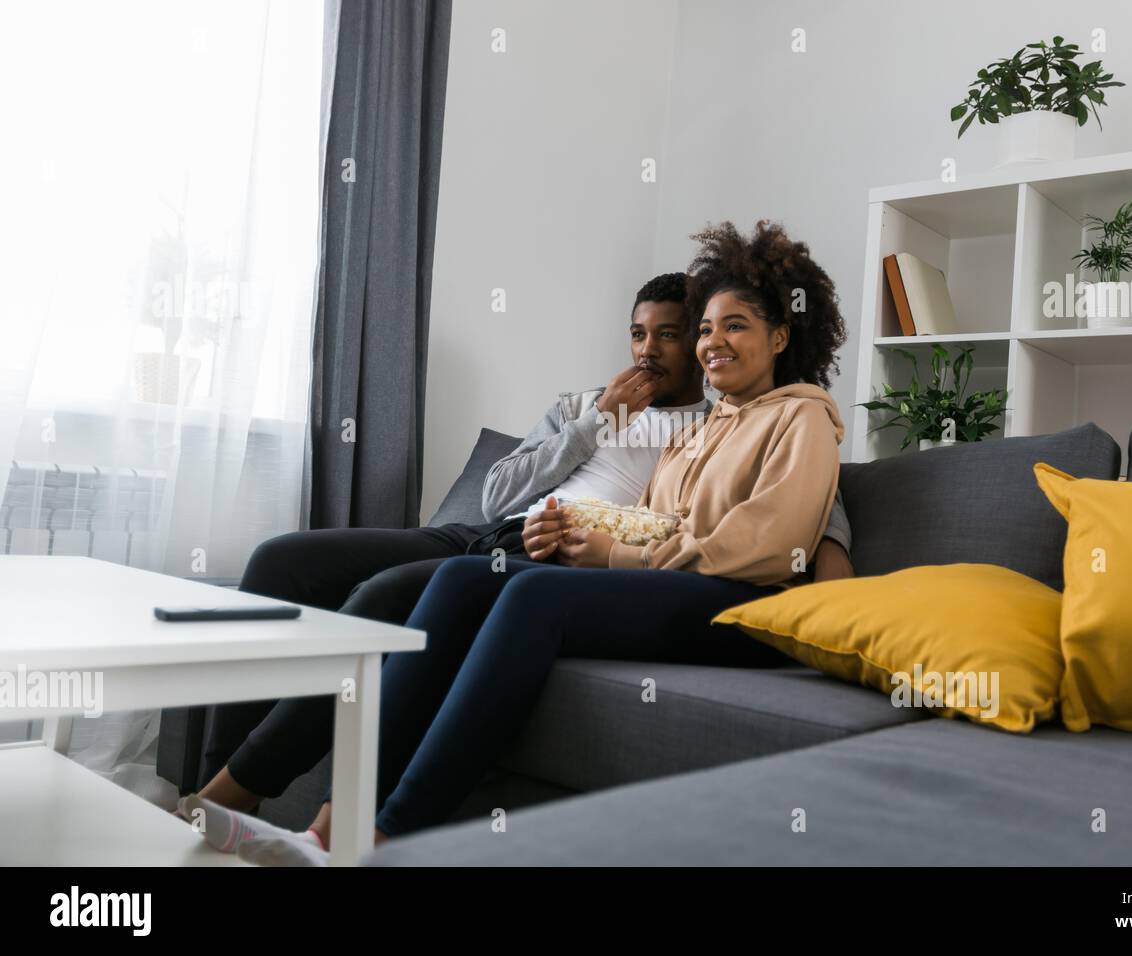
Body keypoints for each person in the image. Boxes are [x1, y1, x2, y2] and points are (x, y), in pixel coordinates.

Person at [181, 219, 851, 864]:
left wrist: (619, 555)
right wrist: (583, 534)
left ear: (782, 335)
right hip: (584, 557)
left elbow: (779, 533)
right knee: (456, 579)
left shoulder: (802, 416)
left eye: (730, 327)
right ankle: (329, 828)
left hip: (736, 602)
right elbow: (649, 518)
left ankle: (384, 835)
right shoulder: (705, 428)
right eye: (706, 328)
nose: (712, 343)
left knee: (523, 596)